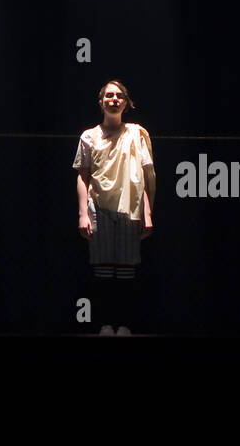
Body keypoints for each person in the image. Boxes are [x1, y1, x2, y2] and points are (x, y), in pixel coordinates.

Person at [73, 80, 155, 336]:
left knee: (127, 270)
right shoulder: (89, 136)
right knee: (104, 269)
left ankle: (126, 324)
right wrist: (83, 213)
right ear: (101, 102)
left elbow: (142, 175)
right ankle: (106, 323)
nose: (114, 99)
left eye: (119, 95)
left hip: (129, 206)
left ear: (126, 102)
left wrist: (147, 212)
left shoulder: (135, 135)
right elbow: (83, 175)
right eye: (109, 95)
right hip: (98, 206)